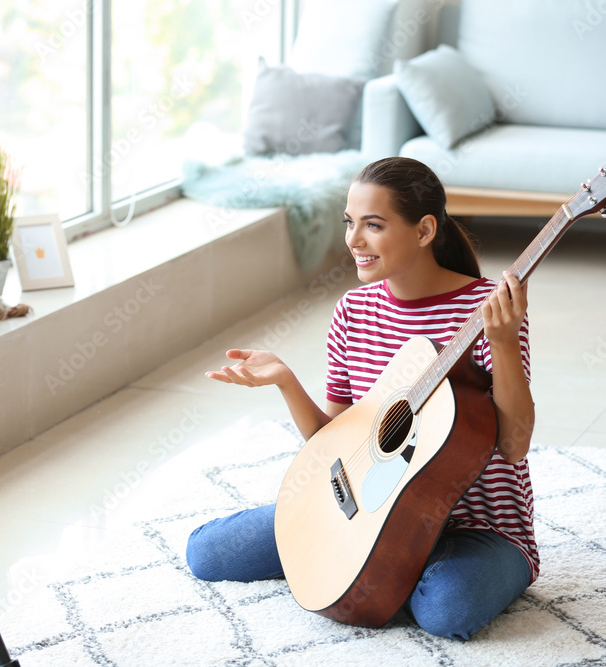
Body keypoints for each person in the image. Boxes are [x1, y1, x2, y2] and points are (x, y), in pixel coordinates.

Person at [185, 157, 538, 641]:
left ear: (424, 230)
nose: (353, 240)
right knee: (207, 555)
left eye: (373, 225)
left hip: (478, 527)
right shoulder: (353, 310)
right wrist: (287, 381)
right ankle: (381, 568)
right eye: (350, 223)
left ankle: (394, 572)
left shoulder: (487, 311)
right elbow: (336, 441)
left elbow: (515, 445)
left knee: (446, 610)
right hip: (371, 512)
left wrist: (502, 341)